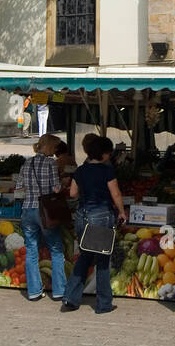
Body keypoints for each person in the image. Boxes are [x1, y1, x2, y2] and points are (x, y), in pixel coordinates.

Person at [61, 135, 126, 314]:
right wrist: (121, 212)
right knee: (103, 261)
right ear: (104, 154)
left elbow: (73, 193)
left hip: (83, 216)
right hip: (101, 216)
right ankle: (104, 303)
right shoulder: (107, 171)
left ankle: (71, 298)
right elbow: (116, 194)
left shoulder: (80, 170)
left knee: (85, 257)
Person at [19, 133, 69, 302]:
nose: (55, 151)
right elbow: (55, 189)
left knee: (31, 250)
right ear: (49, 147)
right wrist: (63, 184)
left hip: (27, 210)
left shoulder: (26, 163)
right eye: (54, 147)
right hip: (45, 212)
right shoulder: (50, 163)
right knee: (56, 249)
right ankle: (59, 290)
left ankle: (33, 291)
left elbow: (19, 188)